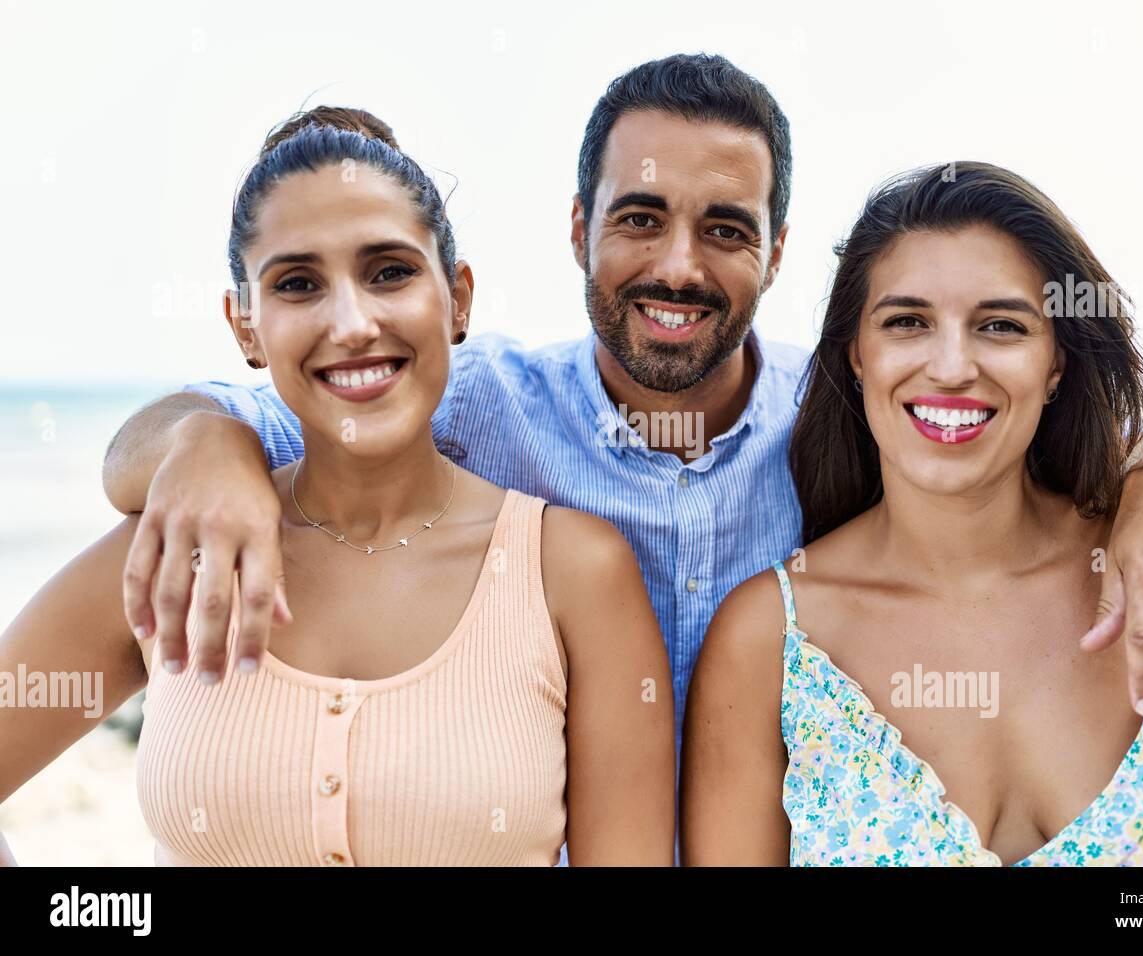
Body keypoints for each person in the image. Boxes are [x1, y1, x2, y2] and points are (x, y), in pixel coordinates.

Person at [99, 57, 1143, 762]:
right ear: (575, 229)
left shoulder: (851, 416)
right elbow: (176, 438)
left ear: (774, 252)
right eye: (639, 217)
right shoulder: (480, 403)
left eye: (725, 228)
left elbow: (1020, 449)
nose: (677, 266)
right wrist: (210, 438)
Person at [0, 107, 675, 866]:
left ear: (457, 297)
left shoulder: (575, 573)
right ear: (245, 326)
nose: (352, 323)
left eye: (390, 271)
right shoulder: (170, 551)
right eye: (298, 283)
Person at [680, 162, 1143, 866]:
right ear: (857, 354)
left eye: (1001, 326)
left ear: (1056, 362)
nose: (951, 367)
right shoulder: (770, 641)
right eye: (907, 322)